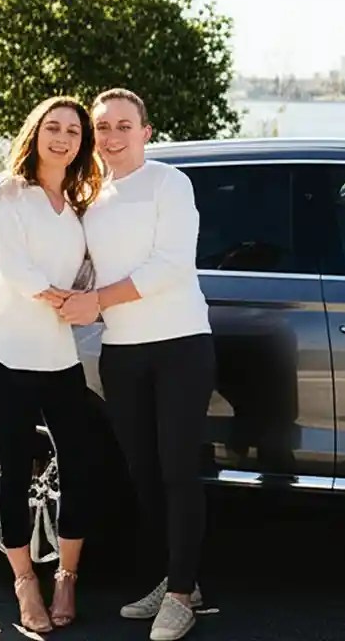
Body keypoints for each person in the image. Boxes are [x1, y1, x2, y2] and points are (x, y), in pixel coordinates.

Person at [58, 88, 216, 641]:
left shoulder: (170, 184)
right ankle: (174, 579)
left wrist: (97, 300)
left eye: (124, 125)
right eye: (102, 127)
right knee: (144, 476)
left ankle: (180, 597)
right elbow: (80, 266)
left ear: (147, 132)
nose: (112, 136)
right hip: (121, 353)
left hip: (180, 347)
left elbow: (171, 266)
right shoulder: (87, 192)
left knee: (177, 471)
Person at [0, 96, 102, 632]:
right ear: (36, 133)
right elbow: (16, 268)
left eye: (73, 131)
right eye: (53, 127)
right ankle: (25, 583)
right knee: (14, 469)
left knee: (79, 468)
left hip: (59, 357)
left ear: (82, 143)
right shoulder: (10, 194)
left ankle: (66, 580)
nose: (62, 138)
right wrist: (66, 302)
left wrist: (91, 296)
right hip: (8, 354)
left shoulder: (78, 205)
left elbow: (90, 273)